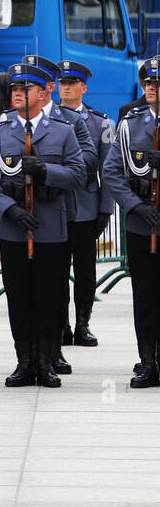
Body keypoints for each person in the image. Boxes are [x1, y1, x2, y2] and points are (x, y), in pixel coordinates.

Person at [0, 63, 86, 387]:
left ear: (43, 93)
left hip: (50, 226)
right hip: (13, 228)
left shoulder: (63, 131)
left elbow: (79, 175)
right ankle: (24, 361)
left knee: (49, 296)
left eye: (25, 89)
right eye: (15, 89)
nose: (18, 94)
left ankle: (45, 360)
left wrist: (46, 172)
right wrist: (9, 210)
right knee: (19, 295)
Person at [101, 57, 160, 387]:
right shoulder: (131, 124)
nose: (151, 87)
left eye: (157, 83)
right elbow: (112, 171)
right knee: (145, 294)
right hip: (142, 223)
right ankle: (148, 360)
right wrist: (135, 206)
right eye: (148, 83)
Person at [53, 60, 114, 348]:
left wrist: (105, 209)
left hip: (86, 206)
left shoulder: (101, 122)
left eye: (71, 83)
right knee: (56, 270)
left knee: (86, 271)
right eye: (62, 83)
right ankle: (61, 324)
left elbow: (108, 169)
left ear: (83, 88)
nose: (66, 88)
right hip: (57, 206)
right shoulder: (49, 117)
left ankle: (82, 323)